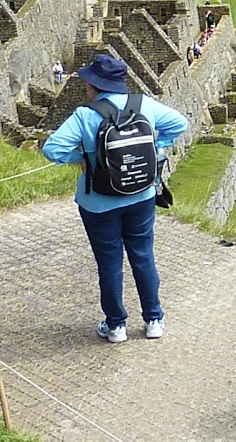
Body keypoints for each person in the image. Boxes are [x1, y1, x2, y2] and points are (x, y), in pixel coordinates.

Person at [42, 53, 187, 344]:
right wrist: (154, 147)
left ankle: (116, 325)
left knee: (109, 262)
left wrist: (82, 158)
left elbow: (52, 149)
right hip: (142, 194)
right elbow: (179, 123)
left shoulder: (86, 115)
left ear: (94, 85)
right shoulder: (143, 104)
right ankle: (154, 319)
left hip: (99, 202)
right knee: (143, 255)